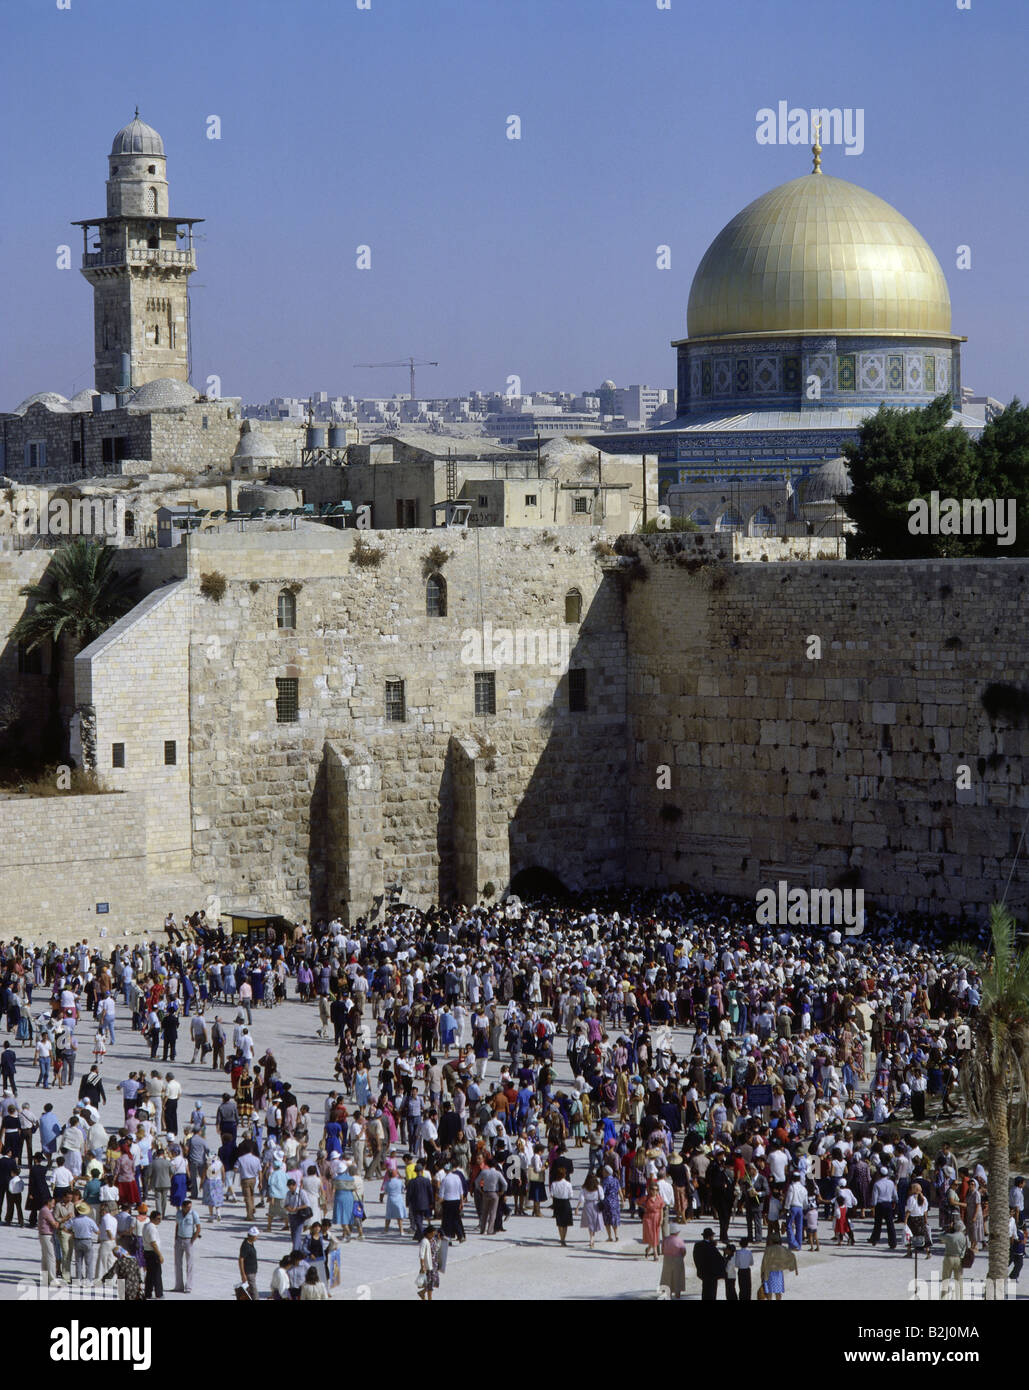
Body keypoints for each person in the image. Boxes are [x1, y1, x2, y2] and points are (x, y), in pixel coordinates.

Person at [759, 1225, 798, 1301]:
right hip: (778, 1273)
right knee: (778, 1292)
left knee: (769, 1292)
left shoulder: (768, 1249)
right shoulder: (782, 1248)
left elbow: (764, 1262)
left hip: (769, 1272)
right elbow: (791, 1256)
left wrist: (762, 1273)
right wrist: (792, 1267)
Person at [173, 1197, 201, 1293]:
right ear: (183, 1206)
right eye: (187, 1207)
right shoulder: (179, 1213)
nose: (189, 1209)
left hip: (188, 1240)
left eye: (190, 1207)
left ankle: (188, 1286)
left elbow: (198, 1227)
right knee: (177, 1263)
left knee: (189, 1264)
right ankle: (178, 1285)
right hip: (179, 1239)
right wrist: (175, 1238)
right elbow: (177, 1225)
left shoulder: (193, 1214)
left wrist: (193, 1240)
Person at [692, 1226, 726, 1301]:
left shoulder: (698, 1245)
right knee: (712, 1293)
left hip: (702, 1272)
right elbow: (719, 1260)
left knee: (705, 1291)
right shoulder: (711, 1246)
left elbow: (696, 1258)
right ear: (710, 1236)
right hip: (712, 1274)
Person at [941, 1219, 968, 1298]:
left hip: (948, 1258)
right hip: (959, 1258)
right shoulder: (963, 1237)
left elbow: (940, 1236)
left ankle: (944, 1297)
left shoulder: (950, 1236)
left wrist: (948, 1230)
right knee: (959, 1281)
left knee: (945, 1279)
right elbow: (965, 1247)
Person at [141, 1210, 164, 1300]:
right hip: (152, 1252)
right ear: (153, 1218)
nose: (160, 1221)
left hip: (147, 1252)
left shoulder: (147, 1226)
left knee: (150, 1274)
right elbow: (153, 1243)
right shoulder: (151, 1228)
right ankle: (159, 1293)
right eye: (158, 1219)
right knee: (157, 1273)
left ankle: (148, 1292)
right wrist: (159, 1255)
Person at [660, 1222, 687, 1299]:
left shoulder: (665, 1240)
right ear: (677, 1232)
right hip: (677, 1260)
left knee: (667, 1278)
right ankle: (677, 1296)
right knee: (677, 1278)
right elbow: (683, 1252)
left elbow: (662, 1251)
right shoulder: (679, 1240)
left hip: (667, 1260)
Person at [417, 1222, 441, 1301]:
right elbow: (421, 1254)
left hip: (434, 1264)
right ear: (428, 1233)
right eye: (432, 1233)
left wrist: (439, 1240)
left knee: (432, 1282)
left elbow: (436, 1249)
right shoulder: (424, 1241)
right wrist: (422, 1265)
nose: (433, 1235)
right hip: (428, 1265)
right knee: (430, 1284)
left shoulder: (433, 1240)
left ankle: (422, 1292)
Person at [550, 1165, 574, 1247]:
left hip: (557, 1202)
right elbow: (571, 1195)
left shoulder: (554, 1183)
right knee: (565, 1222)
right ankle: (564, 1238)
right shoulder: (568, 1184)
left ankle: (561, 1238)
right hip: (566, 1202)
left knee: (559, 1222)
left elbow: (552, 1194)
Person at [641, 1178, 664, 1260]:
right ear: (649, 1190)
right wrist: (644, 1208)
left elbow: (661, 1209)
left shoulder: (659, 1198)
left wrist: (661, 1219)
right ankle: (655, 1254)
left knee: (655, 1236)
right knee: (652, 1235)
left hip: (657, 1218)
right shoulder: (646, 1198)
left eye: (656, 1189)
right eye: (653, 1189)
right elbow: (637, 1202)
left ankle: (648, 1249)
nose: (655, 1191)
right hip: (648, 1218)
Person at [238, 1226, 259, 1301]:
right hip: (249, 1272)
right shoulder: (245, 1246)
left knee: (250, 1290)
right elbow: (241, 1259)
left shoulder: (250, 1243)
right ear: (252, 1236)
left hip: (252, 1271)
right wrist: (243, 1274)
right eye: (256, 1236)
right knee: (254, 1291)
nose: (257, 1237)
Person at [733, 1236, 754, 1301]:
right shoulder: (749, 1252)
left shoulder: (738, 1253)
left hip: (741, 1270)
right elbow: (751, 1263)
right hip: (747, 1270)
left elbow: (736, 1264)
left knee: (742, 1286)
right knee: (748, 1286)